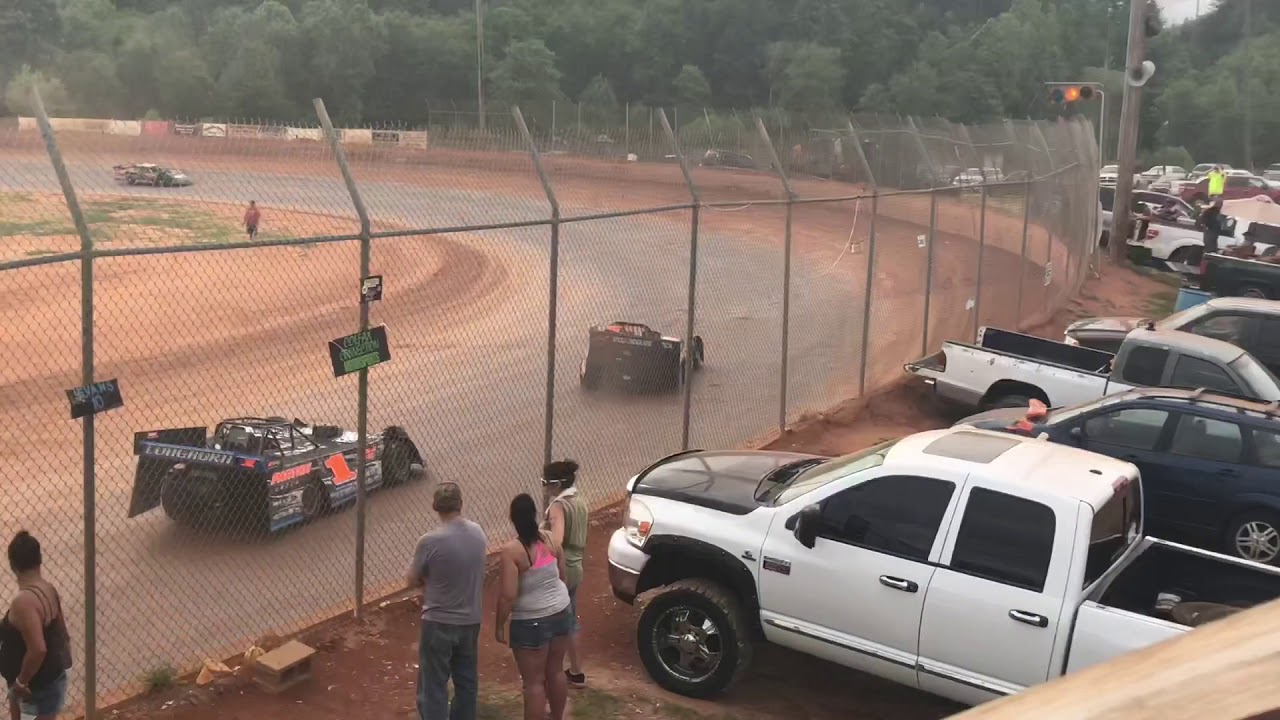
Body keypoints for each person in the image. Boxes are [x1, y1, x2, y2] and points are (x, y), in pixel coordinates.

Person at [408, 483, 488, 720]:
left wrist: (427, 580)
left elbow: (411, 579)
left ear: (436, 508)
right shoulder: (477, 532)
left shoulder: (430, 541)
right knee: (466, 681)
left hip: (439, 621)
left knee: (433, 684)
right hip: (470, 620)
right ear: (460, 504)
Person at [496, 494, 572, 720]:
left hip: (530, 621)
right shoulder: (551, 540)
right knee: (556, 672)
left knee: (533, 684)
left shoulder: (512, 551)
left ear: (513, 519)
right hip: (560, 611)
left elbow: (508, 595)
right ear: (533, 515)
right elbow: (563, 577)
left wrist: (500, 626)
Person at [0, 531, 72, 720]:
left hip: (35, 689)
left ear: (13, 565)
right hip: (51, 680)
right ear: (39, 560)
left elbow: (38, 649)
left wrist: (20, 682)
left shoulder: (23, 602)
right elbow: (63, 634)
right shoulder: (49, 589)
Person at [541, 460, 588, 688]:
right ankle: (576, 671)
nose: (544, 488)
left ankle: (548, 666)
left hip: (563, 568)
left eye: (545, 483)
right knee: (570, 619)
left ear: (557, 484)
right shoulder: (579, 502)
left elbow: (556, 541)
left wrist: (539, 538)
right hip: (576, 566)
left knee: (552, 618)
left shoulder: (558, 507)